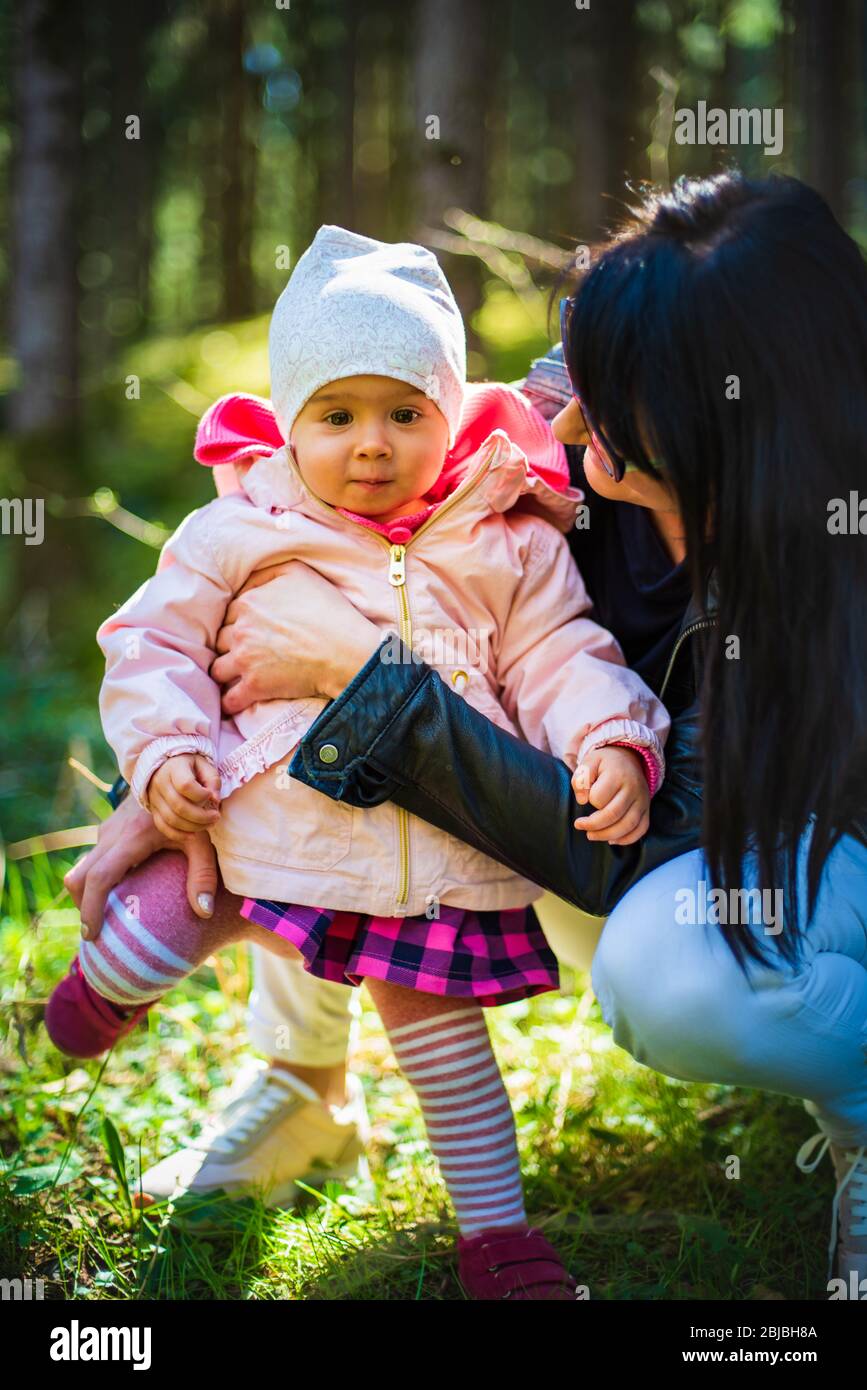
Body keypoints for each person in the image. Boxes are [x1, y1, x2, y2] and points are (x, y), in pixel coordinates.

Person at [50, 224, 672, 1299]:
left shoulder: (505, 531)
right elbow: (156, 644)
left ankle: (497, 1236)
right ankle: (117, 994)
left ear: (450, 412)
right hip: (262, 829)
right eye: (336, 417)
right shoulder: (242, 524)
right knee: (170, 910)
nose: (371, 445)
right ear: (290, 423)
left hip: (424, 860)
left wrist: (610, 734)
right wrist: (163, 756)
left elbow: (562, 652)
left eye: (403, 414)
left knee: (448, 1049)